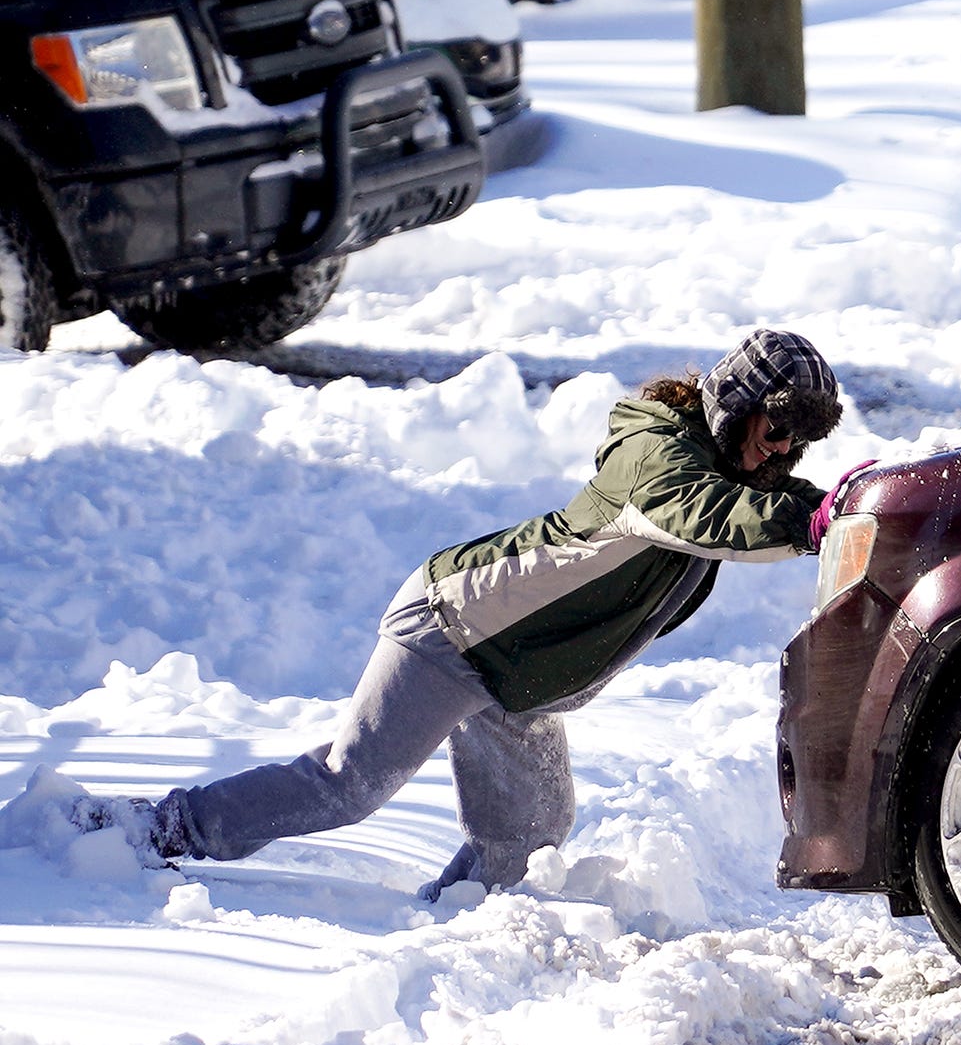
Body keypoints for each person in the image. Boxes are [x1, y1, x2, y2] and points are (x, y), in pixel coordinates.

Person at [5, 330, 842, 898]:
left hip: (519, 678)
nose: (782, 453)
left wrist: (851, 503)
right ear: (735, 406)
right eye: (776, 431)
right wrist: (809, 520)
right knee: (345, 786)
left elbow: (739, 507)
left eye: (797, 445)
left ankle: (446, 929)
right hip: (456, 629)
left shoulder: (717, 474)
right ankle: (154, 827)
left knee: (530, 838)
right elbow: (701, 515)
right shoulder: (658, 457)